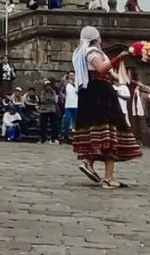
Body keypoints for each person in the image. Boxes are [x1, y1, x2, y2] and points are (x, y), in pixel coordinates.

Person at [70, 27, 141, 189]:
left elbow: (109, 74)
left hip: (94, 93)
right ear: (96, 38)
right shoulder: (92, 51)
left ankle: (90, 162)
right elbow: (101, 68)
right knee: (109, 132)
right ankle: (108, 177)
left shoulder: (84, 52)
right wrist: (118, 58)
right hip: (100, 93)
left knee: (102, 132)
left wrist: (116, 70)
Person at [60, 73, 78, 144]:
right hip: (68, 105)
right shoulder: (66, 84)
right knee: (67, 122)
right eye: (70, 75)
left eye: (73, 75)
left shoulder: (77, 84)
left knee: (75, 122)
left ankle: (75, 136)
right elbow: (60, 89)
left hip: (76, 105)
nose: (72, 77)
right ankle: (65, 136)